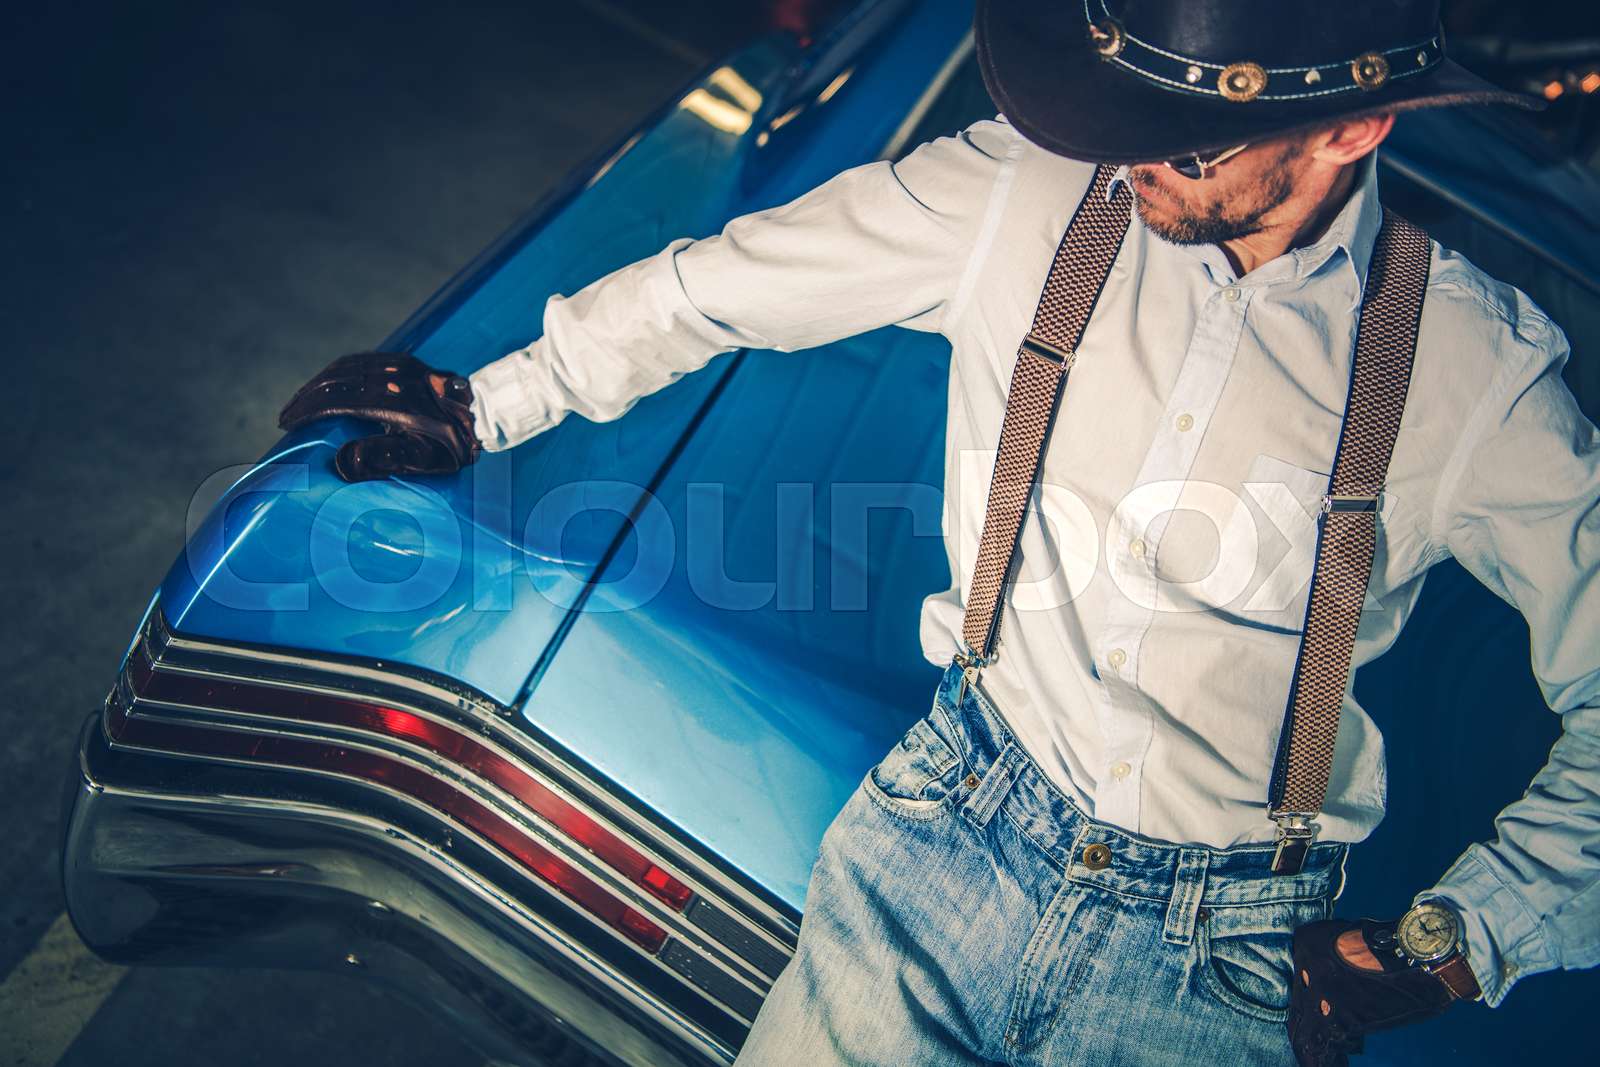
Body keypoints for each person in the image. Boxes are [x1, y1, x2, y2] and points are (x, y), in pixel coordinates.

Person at [278, 1, 1599, 1063]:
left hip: (1216, 959)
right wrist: (491, 402)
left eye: (1185, 143)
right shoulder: (1023, 199)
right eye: (1135, 113)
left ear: (1350, 131)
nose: (1135, 157)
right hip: (946, 832)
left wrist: (1460, 940)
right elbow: (727, 287)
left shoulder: (1477, 377)